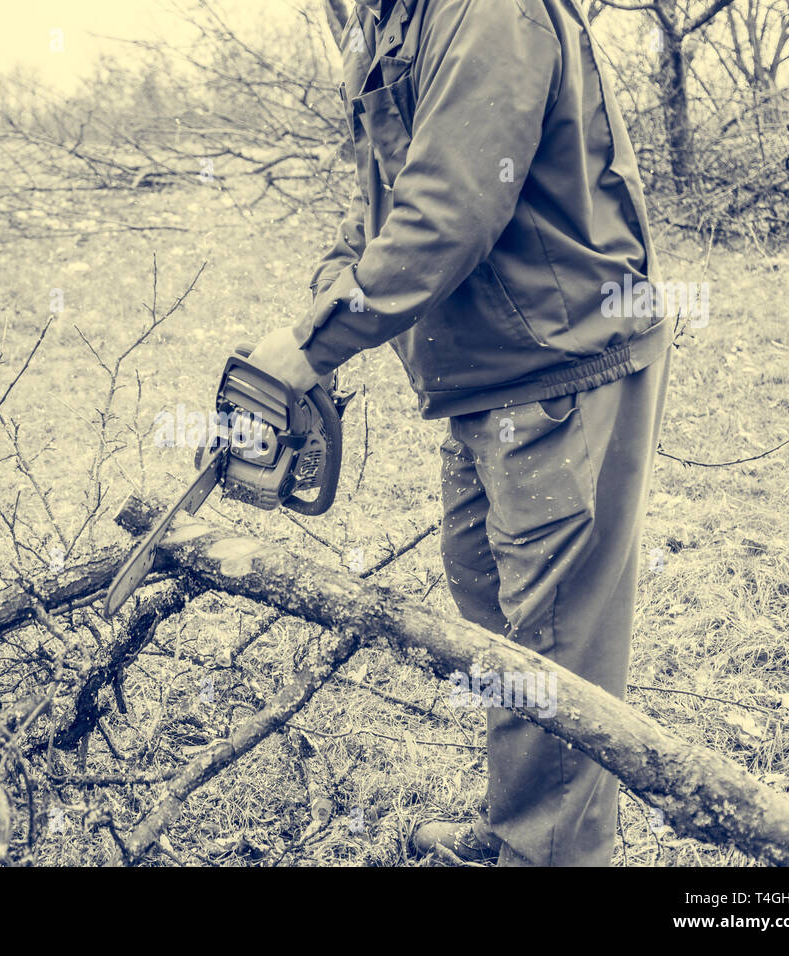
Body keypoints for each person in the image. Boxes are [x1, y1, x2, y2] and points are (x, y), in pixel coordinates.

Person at [245, 0, 673, 866]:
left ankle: (550, 856)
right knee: (495, 613)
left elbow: (450, 212)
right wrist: (317, 318)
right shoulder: (399, 20)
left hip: (561, 362)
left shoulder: (486, 12)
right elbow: (385, 201)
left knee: (552, 644)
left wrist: (316, 344)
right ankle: (525, 826)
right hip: (489, 370)